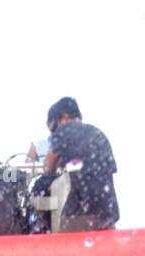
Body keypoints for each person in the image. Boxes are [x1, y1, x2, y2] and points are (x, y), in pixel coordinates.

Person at [39, 97, 119, 232]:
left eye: (53, 128)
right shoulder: (98, 134)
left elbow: (47, 168)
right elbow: (95, 168)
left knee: (61, 242)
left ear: (63, 117)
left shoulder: (64, 131)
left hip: (80, 215)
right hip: (108, 211)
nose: (54, 133)